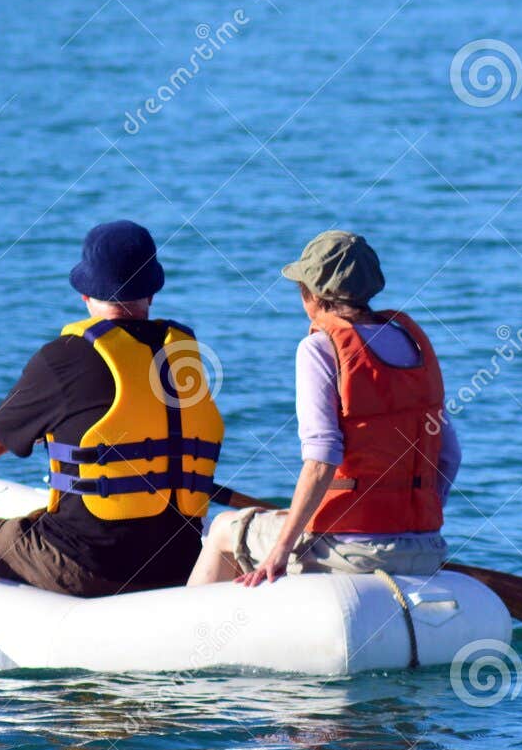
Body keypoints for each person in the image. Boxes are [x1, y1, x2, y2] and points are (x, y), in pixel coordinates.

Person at [0, 220, 224, 596]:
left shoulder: (65, 359)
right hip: (176, 562)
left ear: (85, 294)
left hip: (87, 565)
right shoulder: (185, 357)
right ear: (152, 293)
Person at [188, 230, 458, 586]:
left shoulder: (318, 348)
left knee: (224, 528)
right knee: (272, 523)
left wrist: (280, 552)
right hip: (426, 544)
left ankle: (196, 639)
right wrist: (410, 523)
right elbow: (450, 454)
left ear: (311, 294)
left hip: (351, 548)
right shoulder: (415, 344)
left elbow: (322, 460)